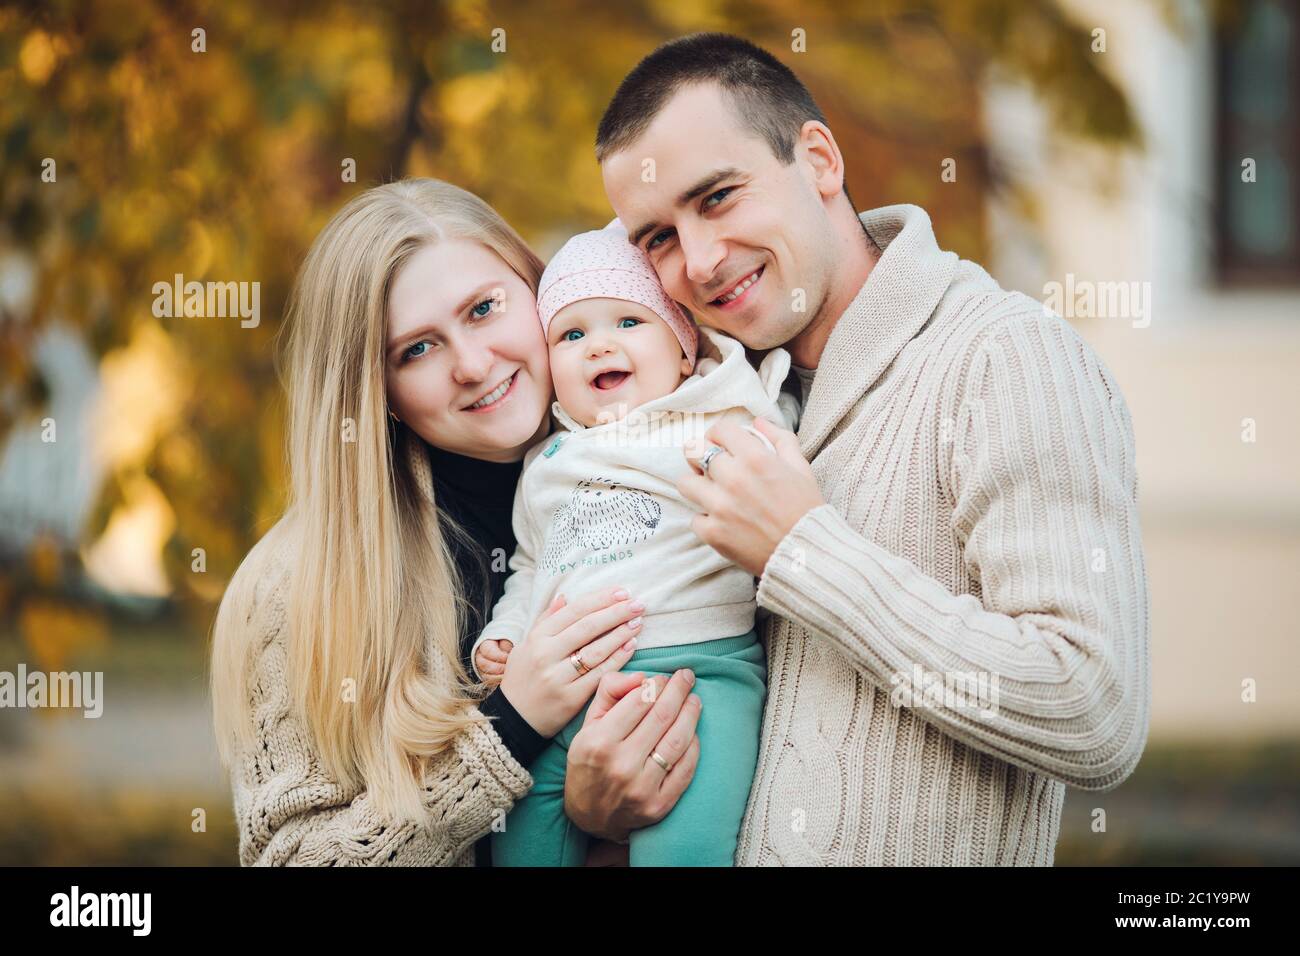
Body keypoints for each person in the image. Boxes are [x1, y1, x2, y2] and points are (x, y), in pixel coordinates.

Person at [575, 32, 1151, 865]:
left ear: (818, 161)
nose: (698, 262)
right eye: (657, 238)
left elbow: (1094, 708)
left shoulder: (1006, 357)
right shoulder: (713, 408)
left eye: (719, 198)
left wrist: (802, 554)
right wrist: (602, 814)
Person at [209, 179, 701, 866]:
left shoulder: (689, 441)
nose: (472, 365)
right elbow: (293, 859)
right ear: (375, 391)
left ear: (538, 288)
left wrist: (605, 827)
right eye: (416, 350)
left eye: (484, 309)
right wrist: (510, 730)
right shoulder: (297, 584)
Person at [471, 220, 797, 865]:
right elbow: (533, 566)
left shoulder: (714, 419)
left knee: (689, 845)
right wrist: (505, 633)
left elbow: (774, 481)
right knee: (520, 836)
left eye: (627, 323)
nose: (598, 346)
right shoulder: (552, 460)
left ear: (683, 350)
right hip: (568, 696)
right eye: (571, 334)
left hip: (703, 676)